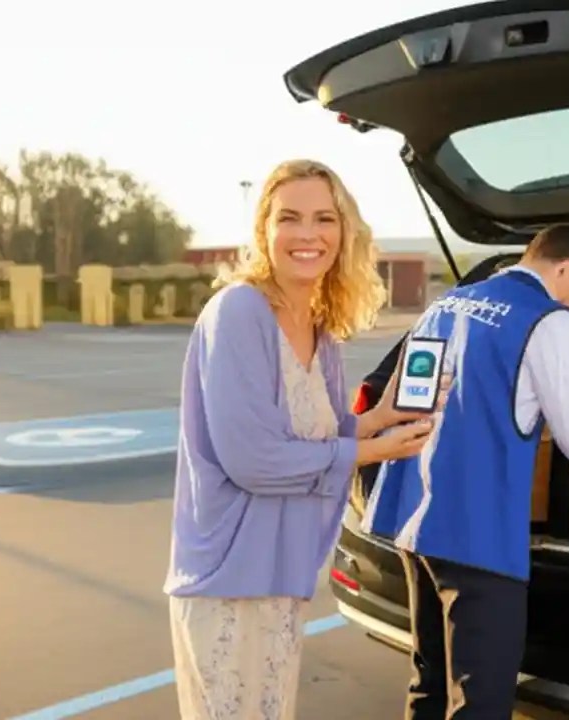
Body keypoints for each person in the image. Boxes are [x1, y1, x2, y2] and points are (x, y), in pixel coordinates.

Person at [163, 158, 444, 720]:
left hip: (282, 574)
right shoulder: (239, 311)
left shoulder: (320, 323)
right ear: (264, 228)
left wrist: (376, 419)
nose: (308, 234)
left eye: (325, 219)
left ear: (344, 233)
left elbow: (315, 435)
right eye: (290, 217)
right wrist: (369, 451)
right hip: (229, 577)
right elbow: (254, 460)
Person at [362, 224, 569, 719]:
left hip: (414, 517)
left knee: (429, 682)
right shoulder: (548, 321)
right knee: (480, 702)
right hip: (477, 531)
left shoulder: (449, 302)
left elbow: (412, 401)